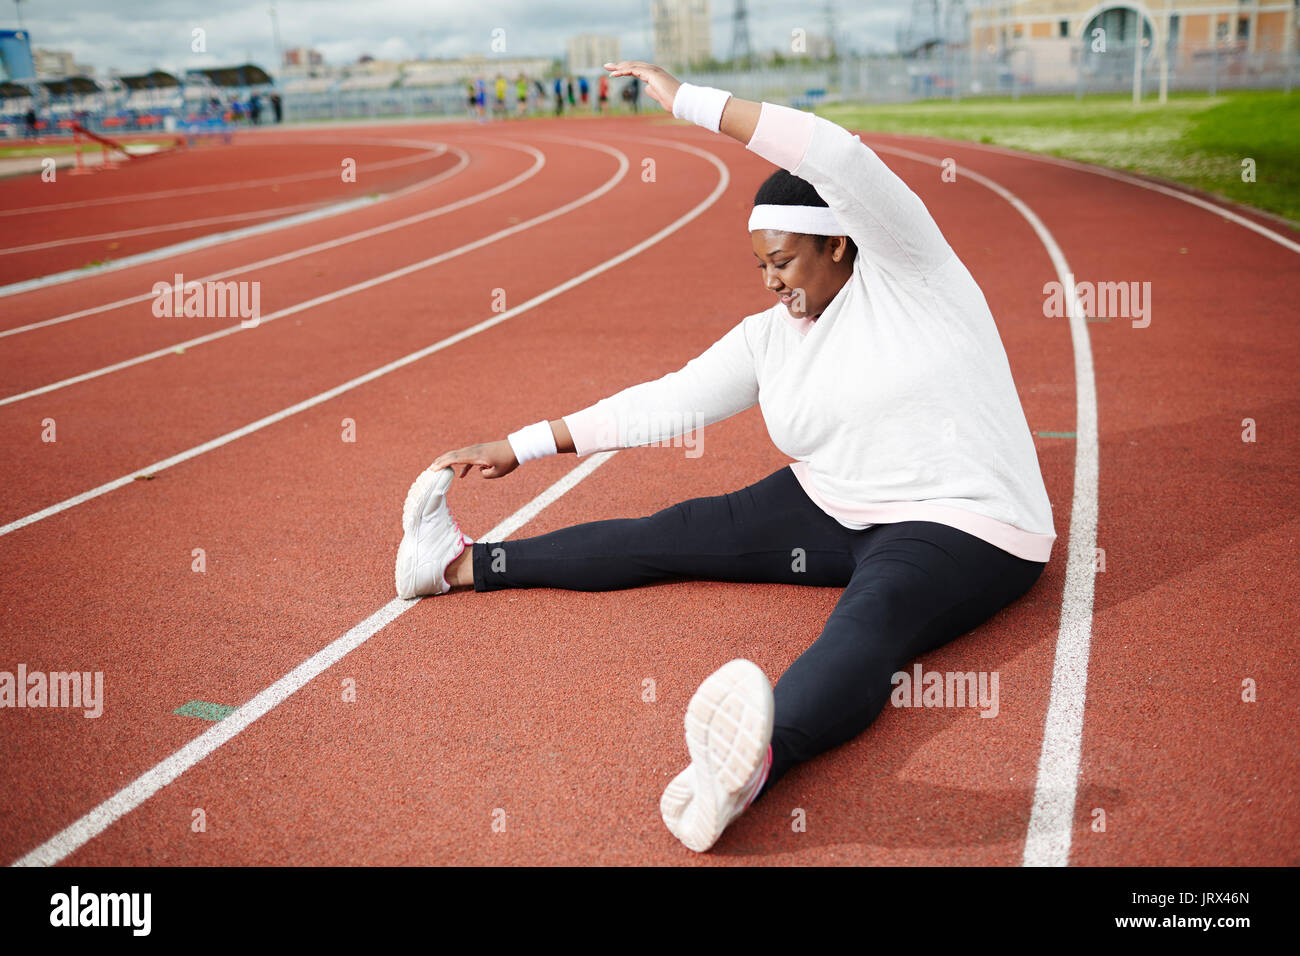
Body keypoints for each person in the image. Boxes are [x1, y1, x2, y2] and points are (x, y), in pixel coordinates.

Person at [392, 60, 1055, 853]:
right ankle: (454, 563)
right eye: (760, 265)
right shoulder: (770, 337)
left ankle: (751, 769)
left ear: (840, 242)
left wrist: (693, 104)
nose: (771, 280)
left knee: (872, 621)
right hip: (834, 503)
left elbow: (839, 157)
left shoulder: (915, 276)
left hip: (964, 519)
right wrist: (520, 447)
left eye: (783, 260)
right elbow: (662, 403)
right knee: (669, 532)